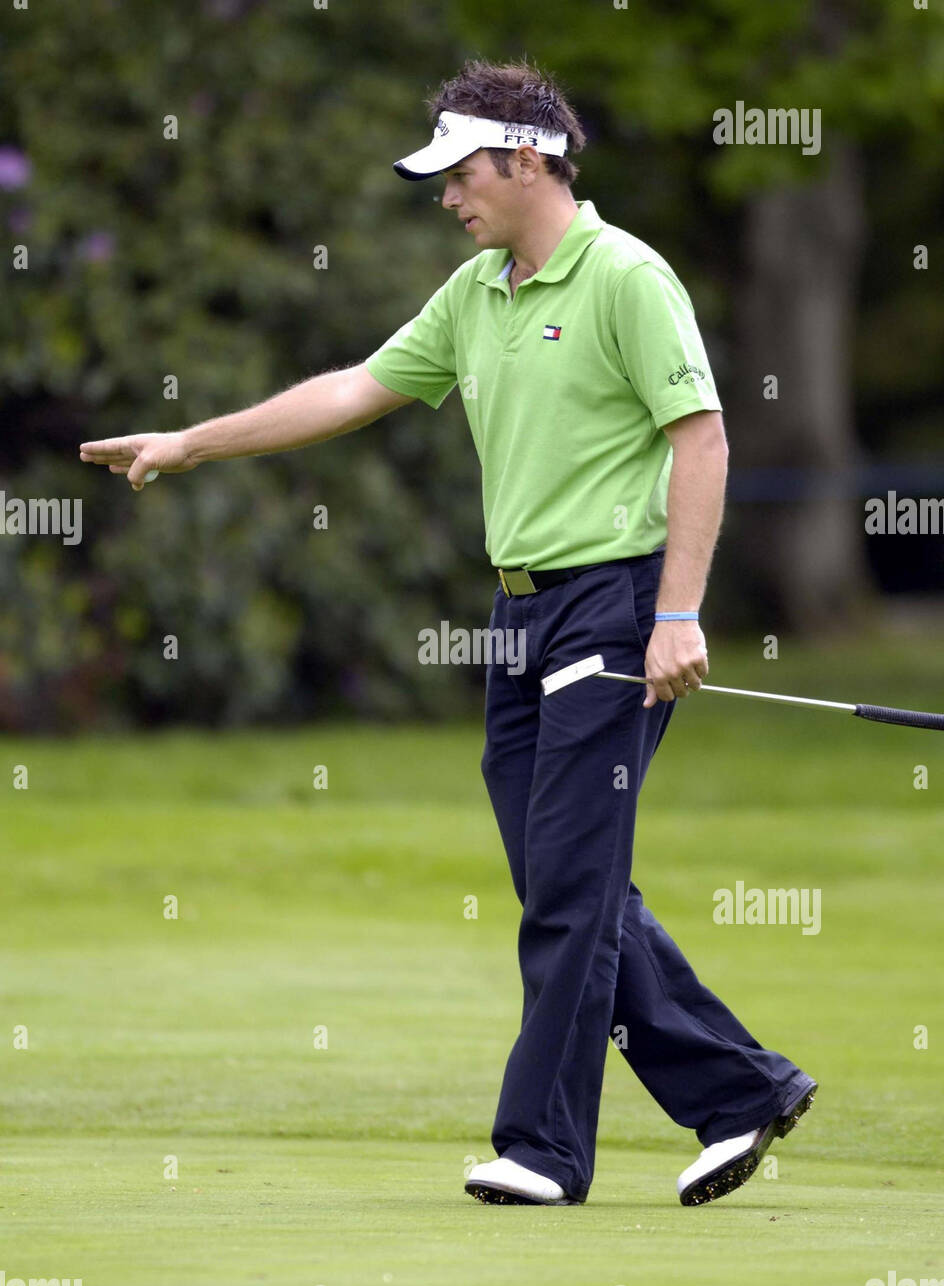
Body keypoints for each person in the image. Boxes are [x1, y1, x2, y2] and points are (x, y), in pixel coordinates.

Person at [80, 58, 816, 1208]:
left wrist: (675, 612)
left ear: (526, 159)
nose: (444, 197)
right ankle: (737, 1088)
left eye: (458, 172)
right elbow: (347, 390)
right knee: (566, 879)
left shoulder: (625, 275)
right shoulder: (475, 291)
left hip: (611, 604)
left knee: (570, 889)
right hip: (518, 613)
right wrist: (189, 443)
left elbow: (701, 442)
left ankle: (542, 1149)